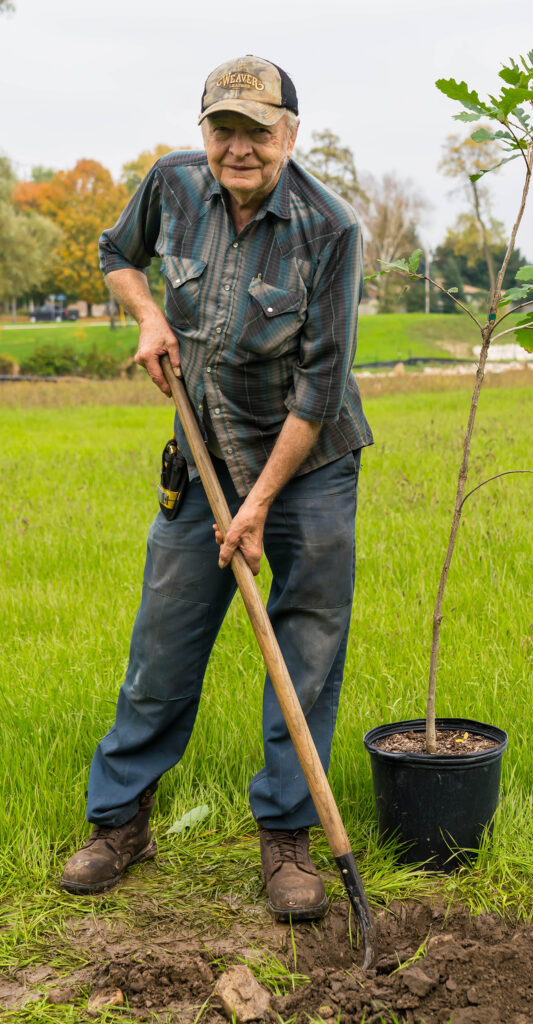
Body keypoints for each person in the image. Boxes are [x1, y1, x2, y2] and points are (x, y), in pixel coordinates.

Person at [60, 55, 373, 921]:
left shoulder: (329, 229)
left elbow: (321, 388)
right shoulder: (172, 183)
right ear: (204, 131)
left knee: (304, 652)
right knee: (163, 644)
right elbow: (115, 252)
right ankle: (120, 823)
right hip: (201, 456)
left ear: (290, 135)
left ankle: (287, 837)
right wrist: (149, 314)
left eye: (258, 132)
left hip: (307, 467)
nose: (240, 147)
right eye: (223, 128)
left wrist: (260, 503)